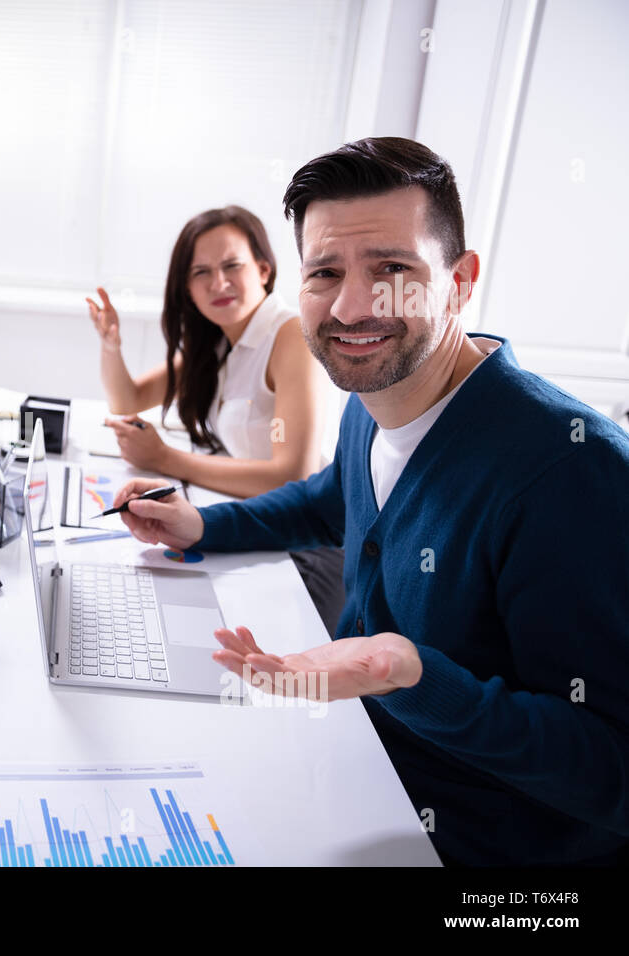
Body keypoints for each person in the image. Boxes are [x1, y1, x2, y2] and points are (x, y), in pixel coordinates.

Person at [111, 137, 629, 866]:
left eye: (392, 269)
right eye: (325, 272)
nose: (353, 307)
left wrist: (413, 675)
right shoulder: (375, 397)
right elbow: (329, 500)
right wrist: (203, 524)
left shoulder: (570, 471)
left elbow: (612, 768)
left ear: (459, 281)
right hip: (357, 769)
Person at [86, 206, 344, 632]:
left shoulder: (290, 337)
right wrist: (111, 345)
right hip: (245, 527)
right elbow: (127, 398)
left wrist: (166, 459)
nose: (218, 283)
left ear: (263, 269)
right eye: (200, 272)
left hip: (301, 548)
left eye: (231, 266)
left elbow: (293, 476)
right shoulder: (221, 342)